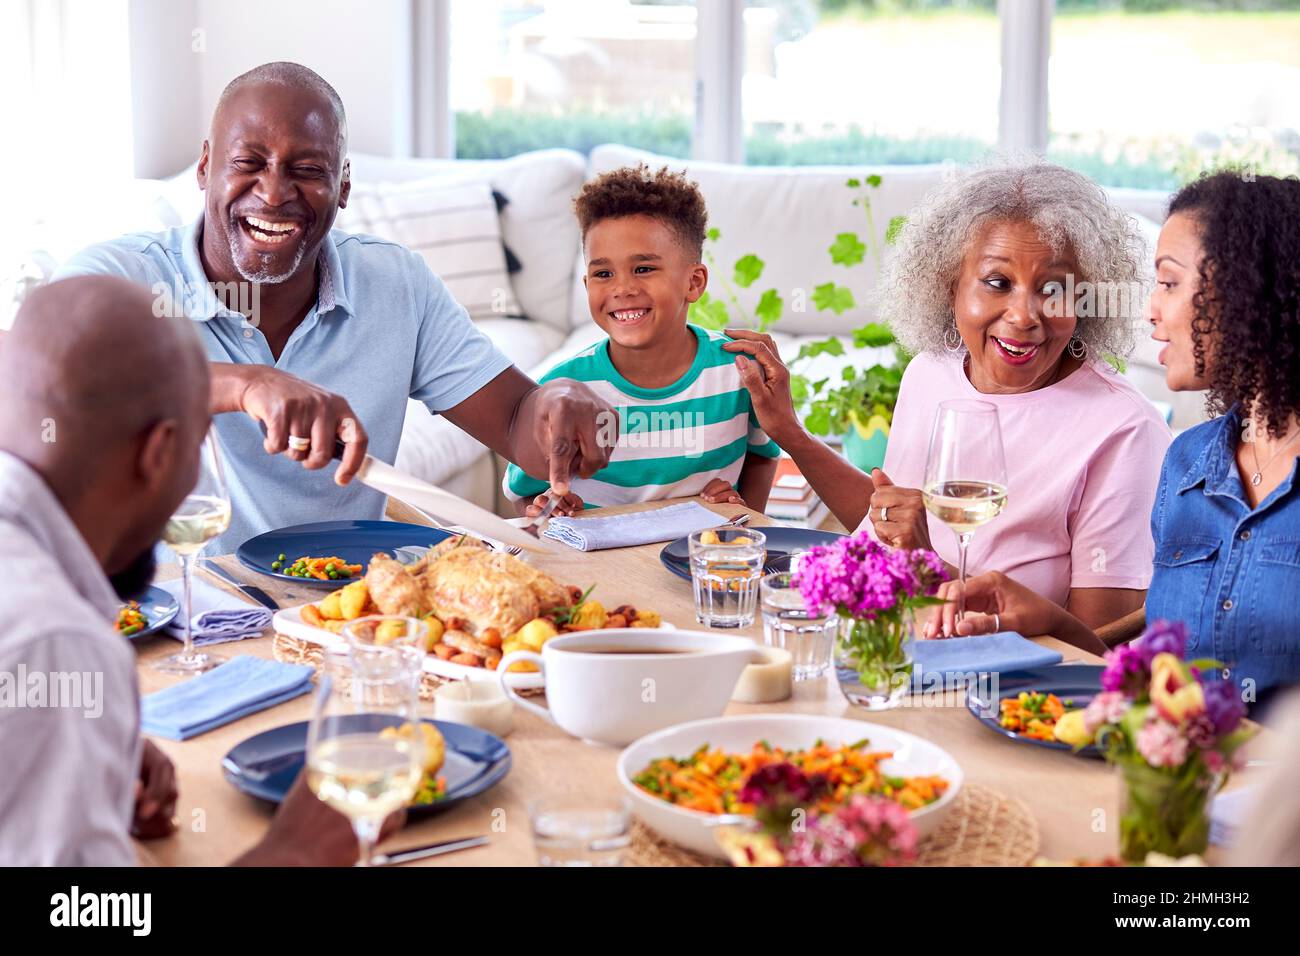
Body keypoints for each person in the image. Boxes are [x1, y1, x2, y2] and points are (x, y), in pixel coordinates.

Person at [53, 62, 613, 553]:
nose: (273, 193)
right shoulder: (124, 275)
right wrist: (245, 384)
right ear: (205, 168)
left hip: (338, 609)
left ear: (343, 185)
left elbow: (518, 422)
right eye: (248, 161)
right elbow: (36, 374)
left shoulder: (395, 283)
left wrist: (560, 409)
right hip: (176, 613)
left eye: (307, 170)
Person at [0, 276, 395, 865]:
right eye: (197, 443)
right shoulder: (52, 640)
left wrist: (81, 753)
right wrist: (289, 855)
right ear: (159, 453)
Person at [725, 161, 1171, 634]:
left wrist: (925, 565)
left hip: (987, 685)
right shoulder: (931, 371)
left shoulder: (1124, 430)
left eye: (1054, 289)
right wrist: (788, 432)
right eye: (997, 283)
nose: (1023, 315)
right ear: (949, 284)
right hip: (874, 638)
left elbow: (1095, 649)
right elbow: (887, 523)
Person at [930, 172, 1300, 704]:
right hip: (1165, 771)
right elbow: (1154, 675)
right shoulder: (1189, 465)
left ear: (1252, 293)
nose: (1150, 308)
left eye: (1169, 283)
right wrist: (1047, 621)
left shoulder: (1135, 432)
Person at [505, 165, 780, 516]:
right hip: (598, 567)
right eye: (603, 274)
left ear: (693, 283)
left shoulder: (739, 372)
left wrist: (743, 521)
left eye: (643, 269)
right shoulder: (562, 390)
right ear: (587, 287)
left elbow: (763, 455)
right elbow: (526, 493)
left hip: (696, 561)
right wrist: (548, 511)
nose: (622, 289)